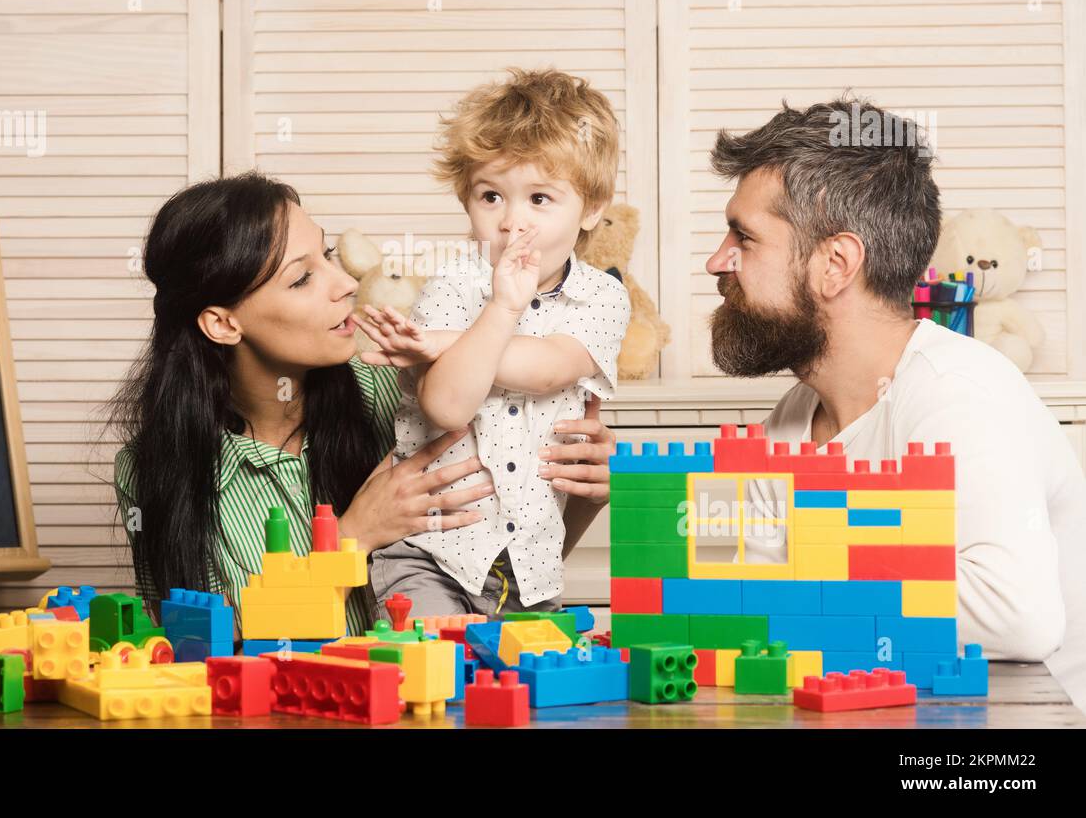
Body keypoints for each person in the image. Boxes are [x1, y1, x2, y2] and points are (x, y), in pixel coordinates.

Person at [109, 170, 619, 637]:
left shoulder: (392, 390)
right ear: (223, 323)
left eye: (328, 255)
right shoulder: (151, 469)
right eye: (302, 278)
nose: (347, 284)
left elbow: (494, 571)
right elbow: (209, 647)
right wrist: (353, 535)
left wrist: (585, 496)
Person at [705, 97, 1086, 709]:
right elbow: (735, 560)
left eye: (743, 237)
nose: (717, 260)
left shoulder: (962, 392)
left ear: (836, 265)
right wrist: (637, 487)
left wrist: (797, 565)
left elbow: (1020, 617)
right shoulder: (798, 411)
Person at [356, 69, 630, 620]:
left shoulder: (601, 299)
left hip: (529, 565)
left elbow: (551, 366)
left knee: (532, 694)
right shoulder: (452, 287)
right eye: (491, 196)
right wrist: (501, 308)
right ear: (466, 202)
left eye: (539, 198)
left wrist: (445, 343)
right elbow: (447, 406)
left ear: (593, 209)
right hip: (430, 554)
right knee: (434, 676)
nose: (512, 223)